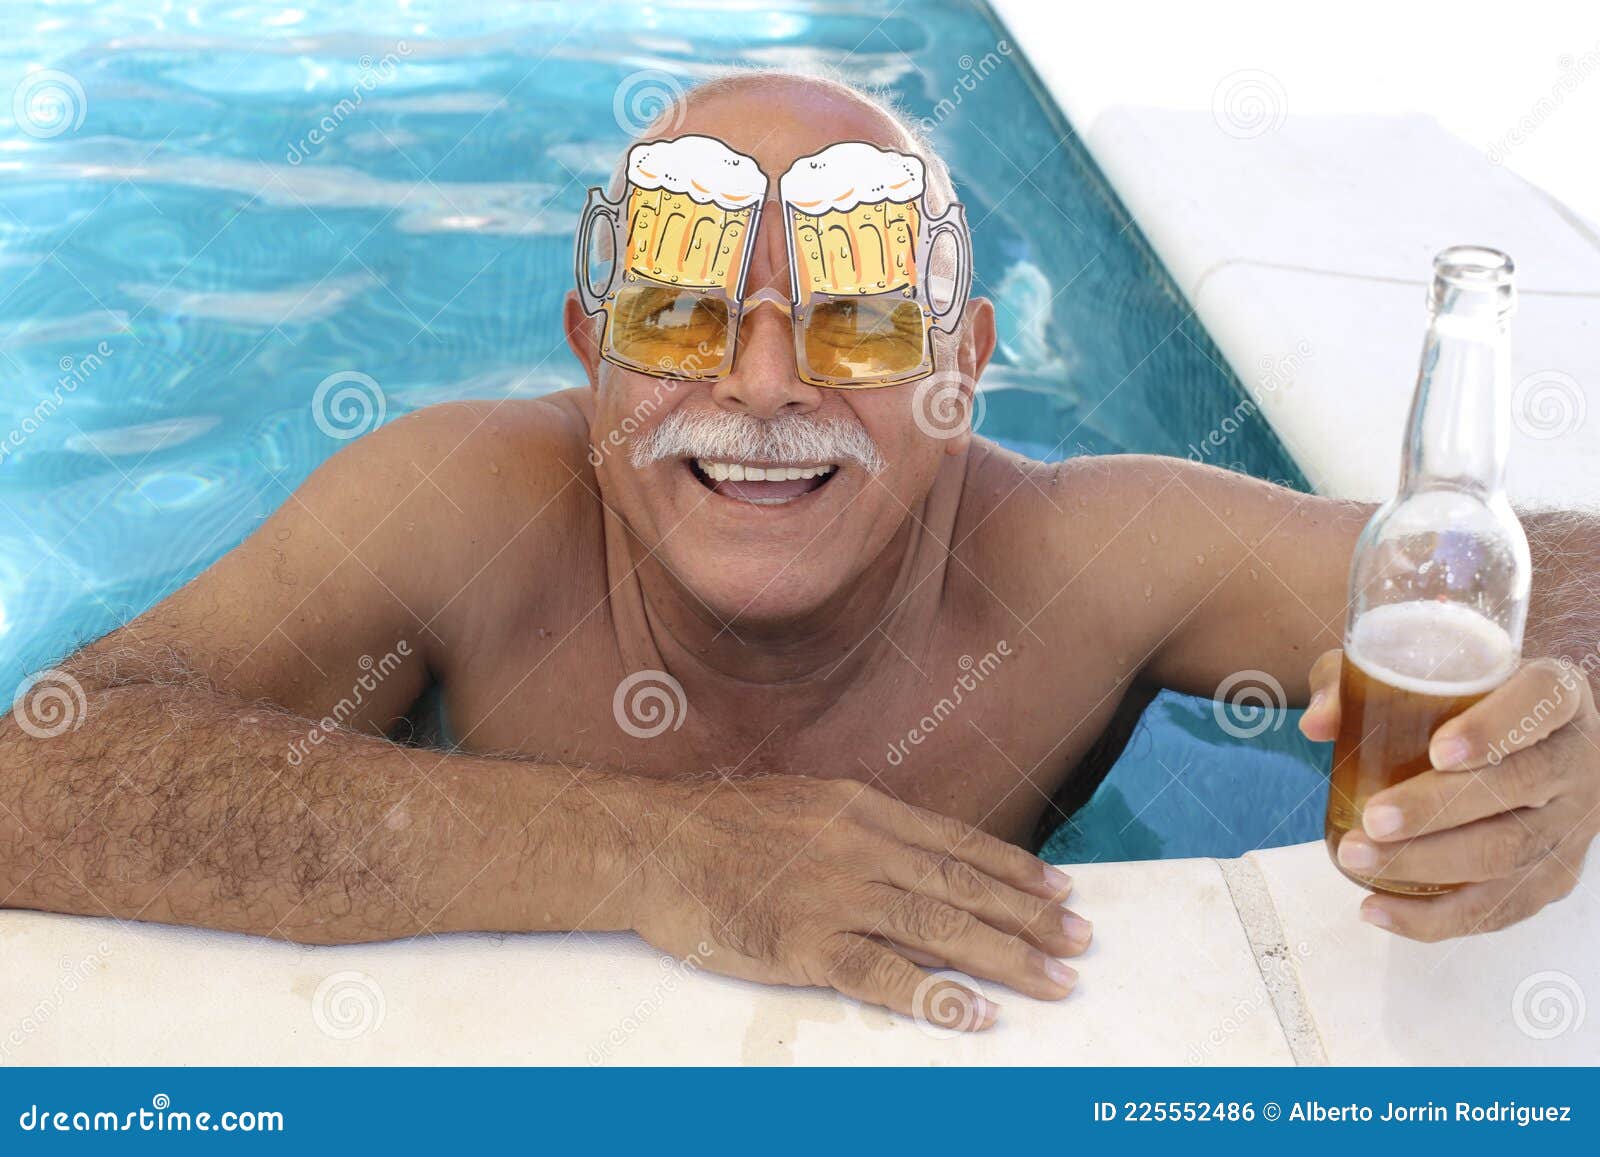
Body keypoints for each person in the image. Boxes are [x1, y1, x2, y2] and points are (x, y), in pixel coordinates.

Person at [3, 71, 1596, 1031]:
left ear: (962, 367)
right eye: (683, 315)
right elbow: (40, 780)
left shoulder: (1087, 555)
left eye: (859, 323)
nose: (763, 388)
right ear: (589, 352)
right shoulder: (462, 511)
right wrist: (655, 854)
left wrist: (1564, 736)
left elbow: (1560, 571)